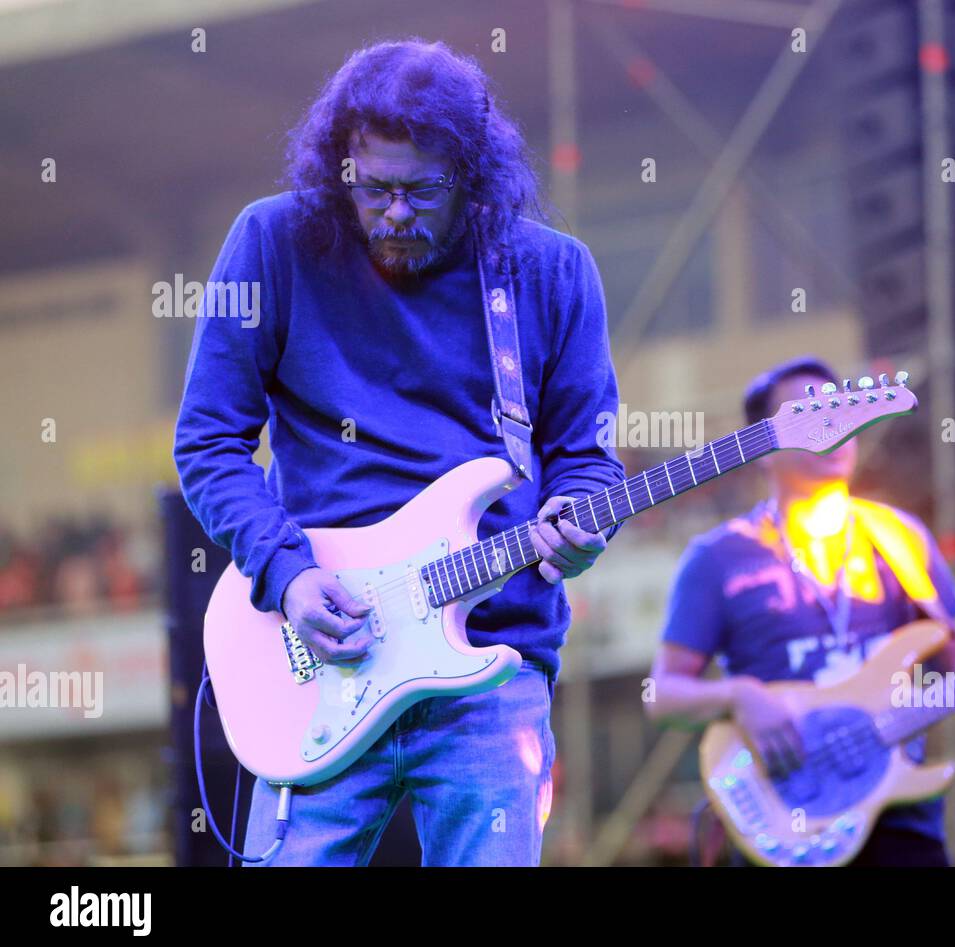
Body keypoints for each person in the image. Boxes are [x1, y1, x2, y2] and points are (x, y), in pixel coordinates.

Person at [173, 40, 624, 866]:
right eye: (372, 189)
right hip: (321, 653)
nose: (394, 213)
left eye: (422, 191)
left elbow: (587, 458)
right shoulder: (274, 244)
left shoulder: (551, 272)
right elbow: (207, 439)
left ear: (474, 176)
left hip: (493, 661)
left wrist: (581, 520)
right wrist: (287, 572)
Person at [645, 357, 955, 866]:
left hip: (898, 821)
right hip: (782, 824)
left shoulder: (899, 538)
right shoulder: (718, 557)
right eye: (807, 415)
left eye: (837, 410)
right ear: (762, 448)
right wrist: (739, 695)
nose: (832, 426)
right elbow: (662, 697)